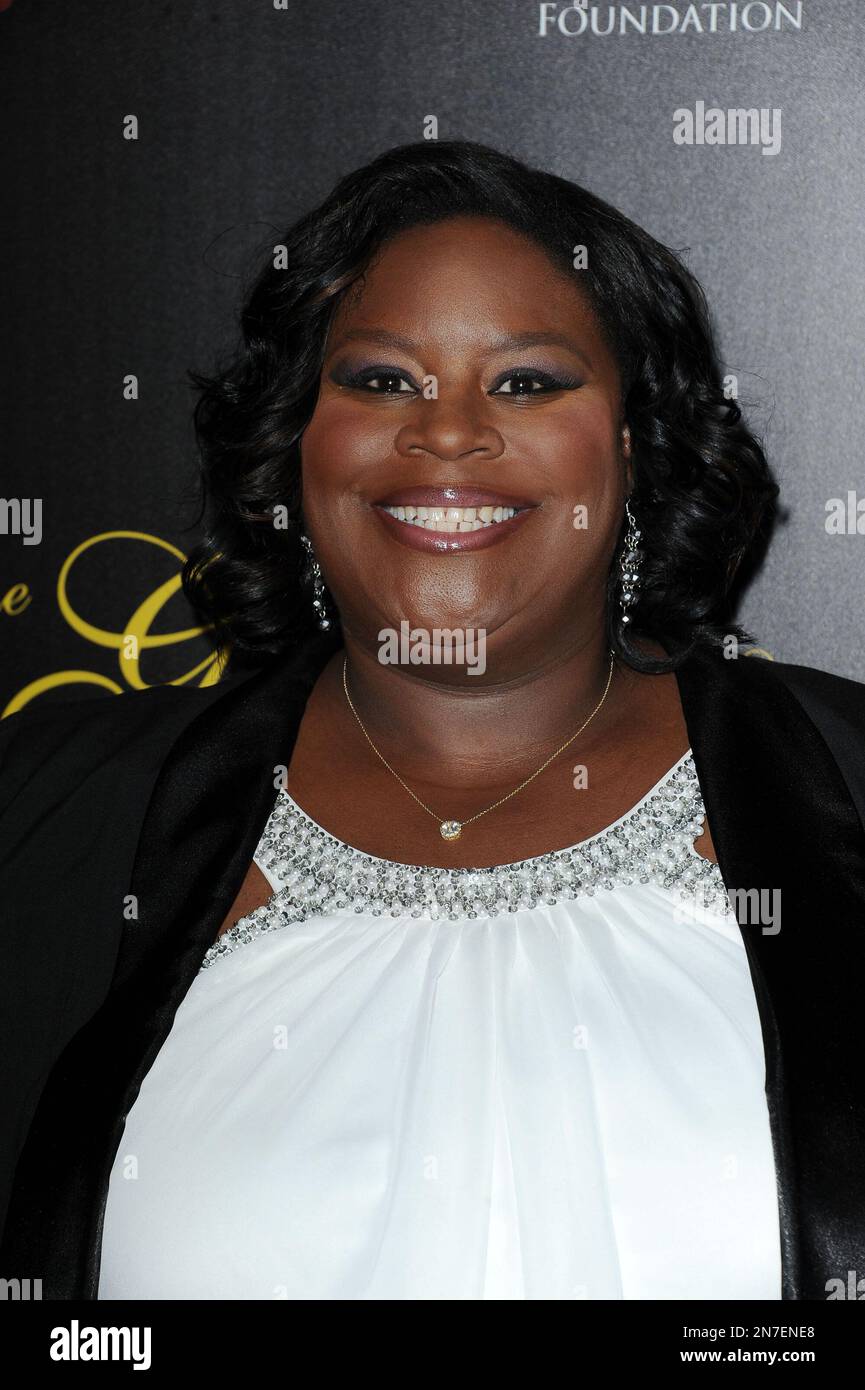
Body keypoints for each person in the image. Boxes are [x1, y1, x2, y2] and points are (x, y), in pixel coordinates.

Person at [2, 139, 865, 1302]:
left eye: (524, 381)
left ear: (633, 446)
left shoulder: (847, 779)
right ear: (295, 447)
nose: (445, 433)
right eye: (378, 379)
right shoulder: (57, 815)